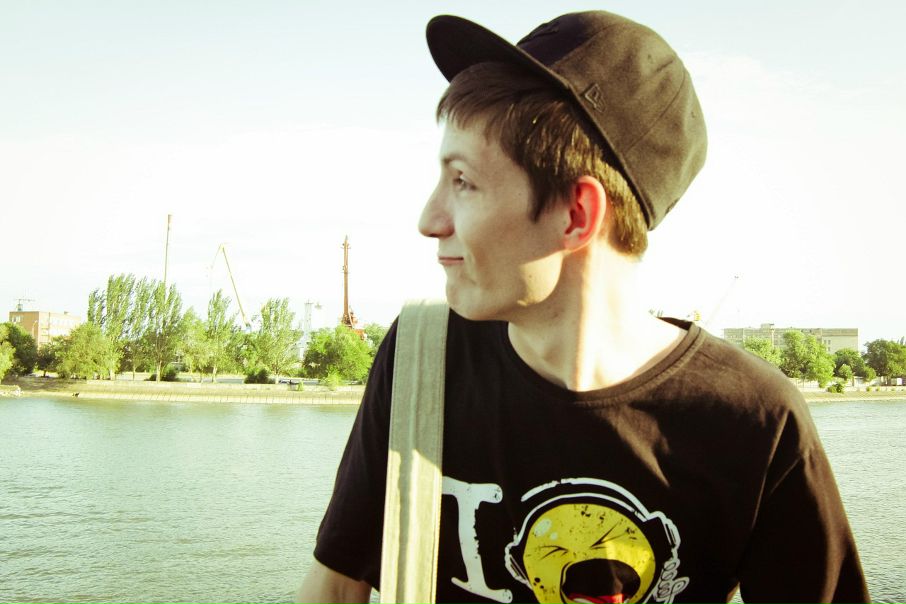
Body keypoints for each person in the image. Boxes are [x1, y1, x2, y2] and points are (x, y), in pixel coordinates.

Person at [298, 10, 869, 604]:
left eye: (462, 181)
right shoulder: (423, 358)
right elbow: (337, 587)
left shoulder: (755, 420)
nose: (428, 219)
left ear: (576, 215)